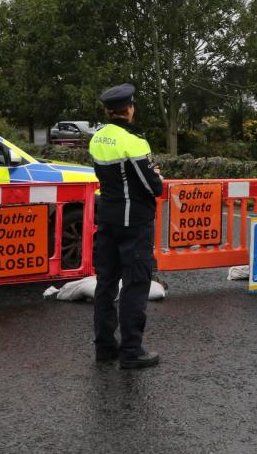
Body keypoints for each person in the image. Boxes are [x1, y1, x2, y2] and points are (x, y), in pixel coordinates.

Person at [89, 83, 164, 369]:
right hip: (135, 221)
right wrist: (155, 174)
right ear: (129, 109)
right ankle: (132, 350)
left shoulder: (97, 138)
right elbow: (152, 186)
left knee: (106, 282)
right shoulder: (135, 142)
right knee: (135, 283)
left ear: (108, 111)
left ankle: (105, 346)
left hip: (107, 217)